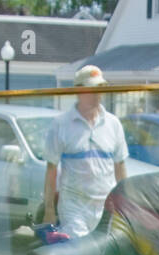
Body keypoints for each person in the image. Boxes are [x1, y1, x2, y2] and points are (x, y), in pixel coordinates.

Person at [42, 64, 128, 238]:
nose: (97, 93)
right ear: (79, 90)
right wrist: (49, 210)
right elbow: (51, 169)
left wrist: (127, 206)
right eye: (92, 88)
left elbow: (120, 166)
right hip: (74, 207)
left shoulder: (113, 124)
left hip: (107, 207)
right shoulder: (60, 124)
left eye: (100, 88)